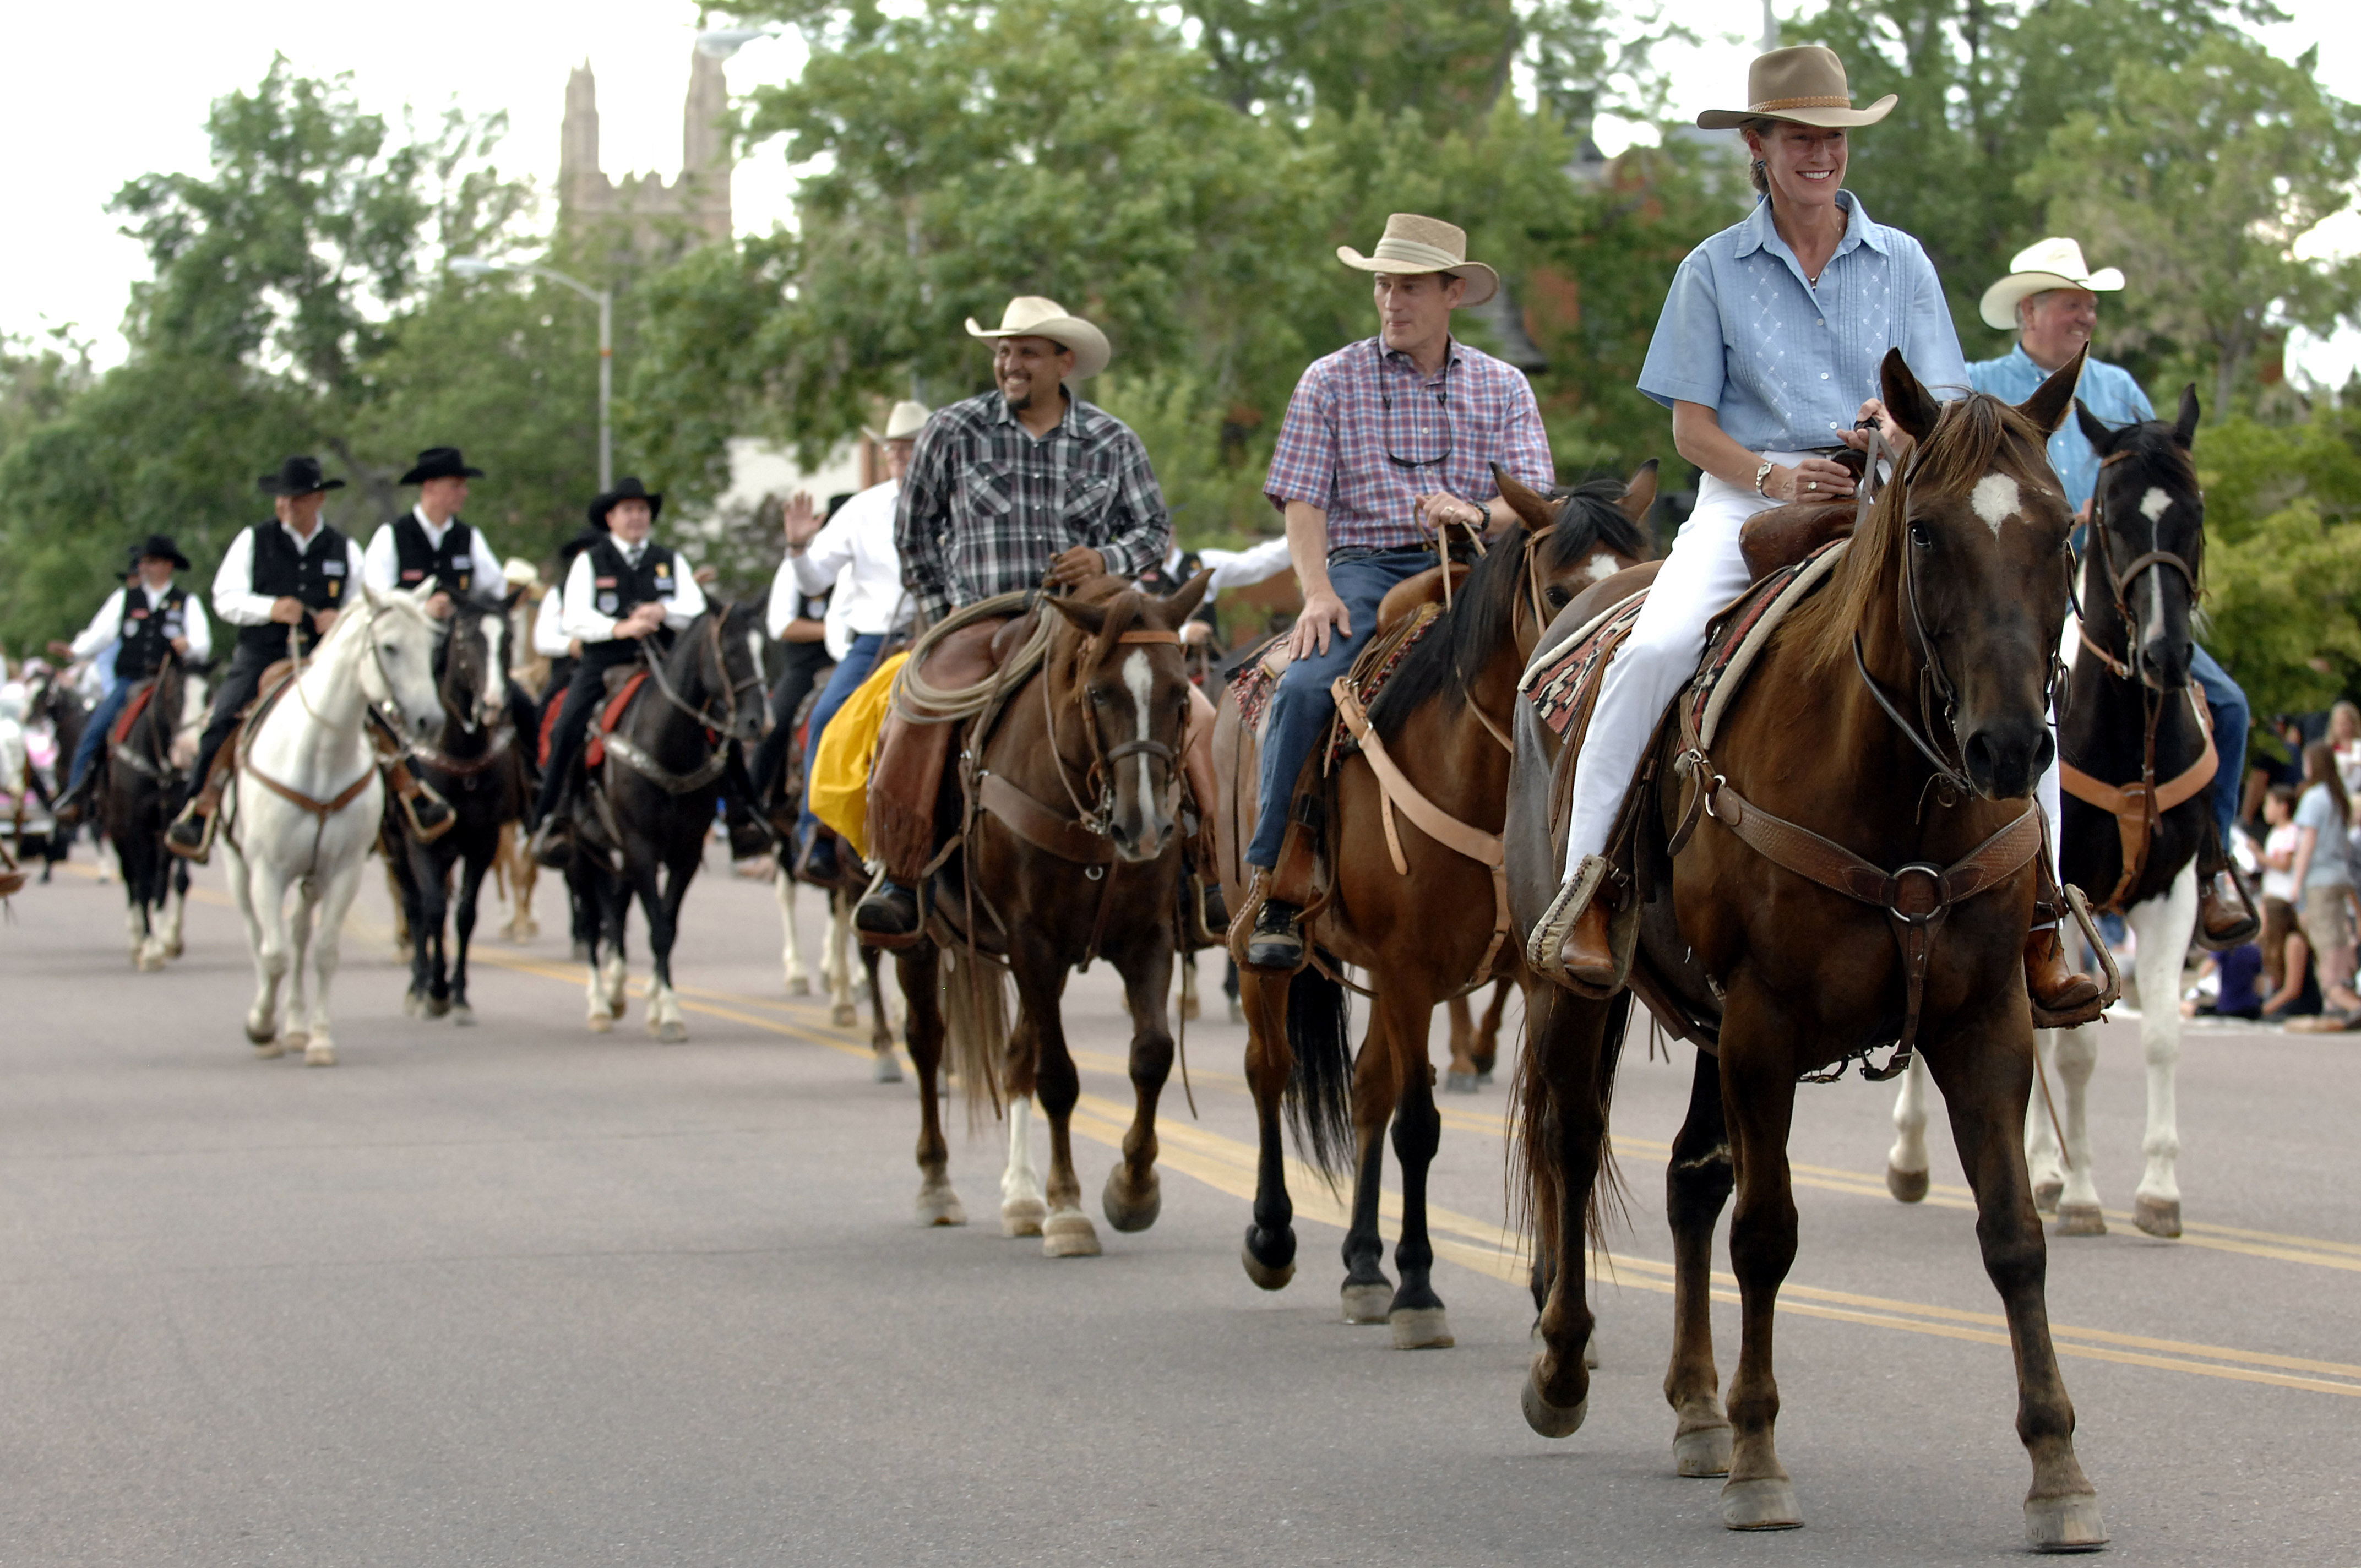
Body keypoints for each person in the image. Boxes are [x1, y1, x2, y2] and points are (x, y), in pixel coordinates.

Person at [1534, 47, 2100, 1022]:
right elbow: (1687, 428)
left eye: (1832, 136)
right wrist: (1767, 472)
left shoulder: (1903, 260)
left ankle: (2043, 916)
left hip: (1889, 502)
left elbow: (1944, 404)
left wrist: (1892, 429)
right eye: (1799, 137)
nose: (1820, 154)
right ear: (1757, 146)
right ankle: (1589, 889)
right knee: (1655, 646)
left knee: (2016, 653)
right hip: (1744, 501)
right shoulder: (1708, 268)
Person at [1234, 214, 1554, 966]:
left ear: (1452, 294)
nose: (1391, 300)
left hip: (1479, 569)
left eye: (1409, 286)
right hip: (1365, 568)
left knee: (1569, 677)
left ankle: (1584, 873)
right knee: (1310, 683)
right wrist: (1317, 594)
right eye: (1384, 284)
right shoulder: (1330, 379)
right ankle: (1280, 878)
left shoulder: (1502, 384)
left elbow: (1534, 494)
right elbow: (1303, 501)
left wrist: (1477, 511)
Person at [854, 297, 1171, 937]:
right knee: (921, 700)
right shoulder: (953, 429)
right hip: (984, 618)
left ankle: (1205, 864)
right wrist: (944, 613)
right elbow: (914, 530)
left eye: (1026, 351)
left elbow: (1154, 531)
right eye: (1004, 351)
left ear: (1064, 361)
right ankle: (900, 870)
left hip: (1087, 622)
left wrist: (1105, 557)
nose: (1010, 363)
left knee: (1172, 696)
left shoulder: (1112, 440)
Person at [1970, 237, 2256, 942]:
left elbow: (2156, 478)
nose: (2087, 317)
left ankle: (2212, 863)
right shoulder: (1980, 384)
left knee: (2228, 703)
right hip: (2020, 591)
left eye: (2091, 306)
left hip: (2117, 591)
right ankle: (1990, 867)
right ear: (2030, 310)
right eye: (2074, 304)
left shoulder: (2120, 389)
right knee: (2000, 711)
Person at [169, 456, 406, 858]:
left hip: (325, 660)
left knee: (385, 720)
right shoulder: (253, 540)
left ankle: (408, 799)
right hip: (262, 653)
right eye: (282, 499)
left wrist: (341, 617)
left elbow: (366, 603)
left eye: (295, 499)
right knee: (223, 718)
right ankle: (200, 807)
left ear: (317, 500)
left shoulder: (344, 548)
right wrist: (270, 609)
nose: (285, 506)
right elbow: (225, 597)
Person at [770, 400, 929, 880]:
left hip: (942, 633)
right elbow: (814, 580)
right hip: (876, 641)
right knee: (826, 717)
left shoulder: (960, 503)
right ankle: (814, 833)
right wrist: (799, 546)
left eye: (909, 448)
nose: (899, 458)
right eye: (893, 449)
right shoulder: (862, 509)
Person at [526, 476, 707, 867]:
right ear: (611, 517)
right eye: (628, 510)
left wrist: (663, 611)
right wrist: (618, 628)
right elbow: (574, 617)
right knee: (567, 725)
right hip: (605, 661)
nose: (637, 517)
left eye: (642, 510)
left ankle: (742, 812)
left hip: (663, 661)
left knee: (716, 717)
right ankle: (554, 815)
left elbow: (696, 607)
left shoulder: (669, 560)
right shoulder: (589, 561)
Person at [53, 533, 212, 827]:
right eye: (143, 562)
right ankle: (77, 795)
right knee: (94, 731)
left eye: (150, 562)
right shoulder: (125, 599)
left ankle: (203, 798)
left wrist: (188, 646)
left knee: (199, 731)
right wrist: (75, 651)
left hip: (170, 683)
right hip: (132, 682)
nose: (144, 567)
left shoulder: (186, 603)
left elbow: (204, 643)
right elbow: (99, 634)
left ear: (167, 565)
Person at [2287, 740, 2361, 1019]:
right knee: (2340, 935)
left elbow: (2308, 842)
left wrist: (2297, 882)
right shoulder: (2338, 796)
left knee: (2325, 938)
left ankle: (2333, 991)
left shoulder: (2314, 797)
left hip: (2320, 878)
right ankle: (2341, 990)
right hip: (2341, 873)